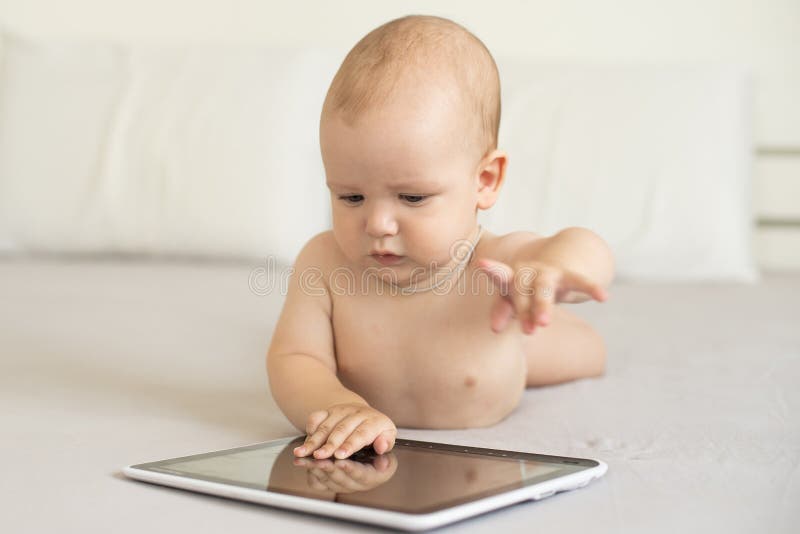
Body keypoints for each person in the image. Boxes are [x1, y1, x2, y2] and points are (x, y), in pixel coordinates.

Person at [267, 15, 614, 461]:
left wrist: (558, 271)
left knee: (585, 351)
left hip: (511, 331)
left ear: (485, 180)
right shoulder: (323, 264)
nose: (378, 224)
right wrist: (338, 406)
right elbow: (293, 359)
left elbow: (584, 245)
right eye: (351, 196)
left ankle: (542, 331)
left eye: (412, 197)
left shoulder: (497, 262)